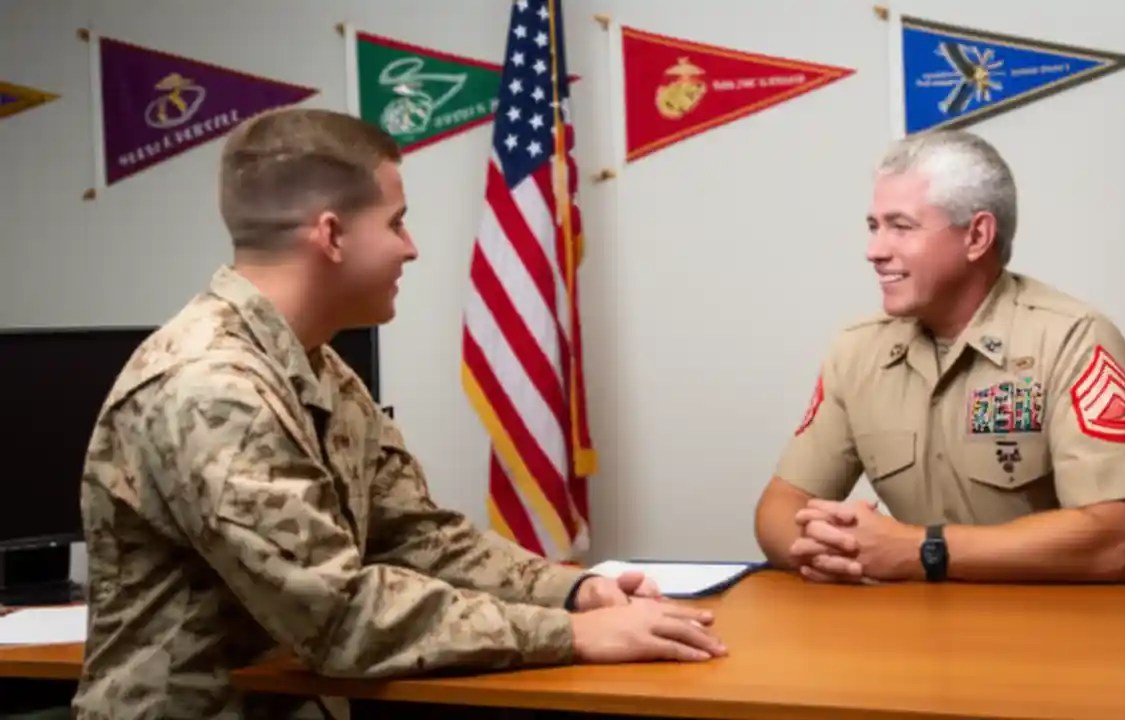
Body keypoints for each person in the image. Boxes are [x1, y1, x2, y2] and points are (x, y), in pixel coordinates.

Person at [72, 108, 725, 720]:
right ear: (330, 234)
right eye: (396, 222)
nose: (410, 248)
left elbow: (417, 536)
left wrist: (571, 591)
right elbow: (339, 617)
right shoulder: (213, 388)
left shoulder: (312, 365)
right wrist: (572, 634)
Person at [754, 129, 1125, 585]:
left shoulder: (1072, 338)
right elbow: (779, 507)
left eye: (901, 226)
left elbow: (1117, 542)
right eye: (874, 226)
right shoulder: (857, 350)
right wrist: (836, 547)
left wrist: (919, 551)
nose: (874, 251)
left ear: (976, 235)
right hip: (933, 633)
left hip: (1083, 635)